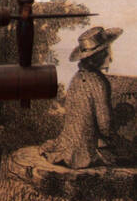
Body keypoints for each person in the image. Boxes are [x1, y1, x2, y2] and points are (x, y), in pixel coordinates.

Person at [41, 25, 122, 169]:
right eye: (108, 52)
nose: (111, 57)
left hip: (69, 144)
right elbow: (105, 126)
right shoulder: (99, 82)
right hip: (84, 150)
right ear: (100, 56)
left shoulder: (77, 78)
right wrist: (118, 140)